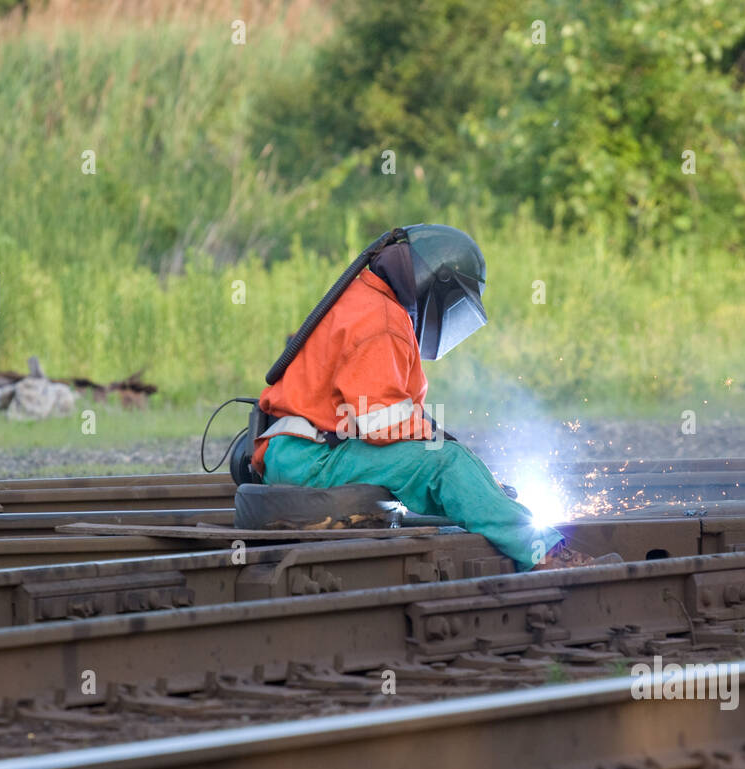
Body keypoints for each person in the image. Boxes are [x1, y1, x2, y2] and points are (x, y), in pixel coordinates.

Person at [249, 224, 599, 571]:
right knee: (445, 462)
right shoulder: (380, 319)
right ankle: (547, 555)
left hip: (302, 450)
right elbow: (380, 421)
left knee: (445, 457)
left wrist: (469, 477)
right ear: (437, 284)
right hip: (312, 459)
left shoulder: (366, 300)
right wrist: (444, 449)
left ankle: (495, 512)